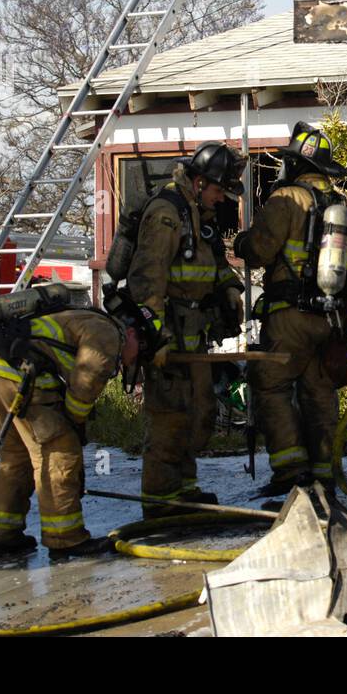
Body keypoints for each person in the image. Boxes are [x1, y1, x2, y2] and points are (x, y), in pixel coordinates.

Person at [234, 124, 347, 496]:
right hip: (330, 320)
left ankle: (291, 470)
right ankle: (325, 470)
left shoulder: (286, 199)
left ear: (296, 163)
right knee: (320, 392)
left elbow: (259, 251)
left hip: (288, 317)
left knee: (272, 387)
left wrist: (242, 241)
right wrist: (344, 320)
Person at [124, 142, 246, 518]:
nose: (221, 198)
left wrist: (228, 287)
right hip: (168, 334)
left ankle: (186, 489)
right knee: (169, 417)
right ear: (197, 181)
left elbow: (210, 257)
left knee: (199, 412)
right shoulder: (166, 213)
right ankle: (160, 501)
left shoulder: (197, 213)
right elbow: (147, 280)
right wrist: (155, 337)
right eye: (218, 189)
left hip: (194, 334)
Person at [0, 306, 140, 560]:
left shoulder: (85, 318)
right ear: (131, 334)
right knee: (59, 453)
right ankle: (65, 539)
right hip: (22, 379)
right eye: (137, 356)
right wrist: (74, 420)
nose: (129, 363)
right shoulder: (109, 334)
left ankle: (3, 536)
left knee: (15, 458)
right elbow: (88, 377)